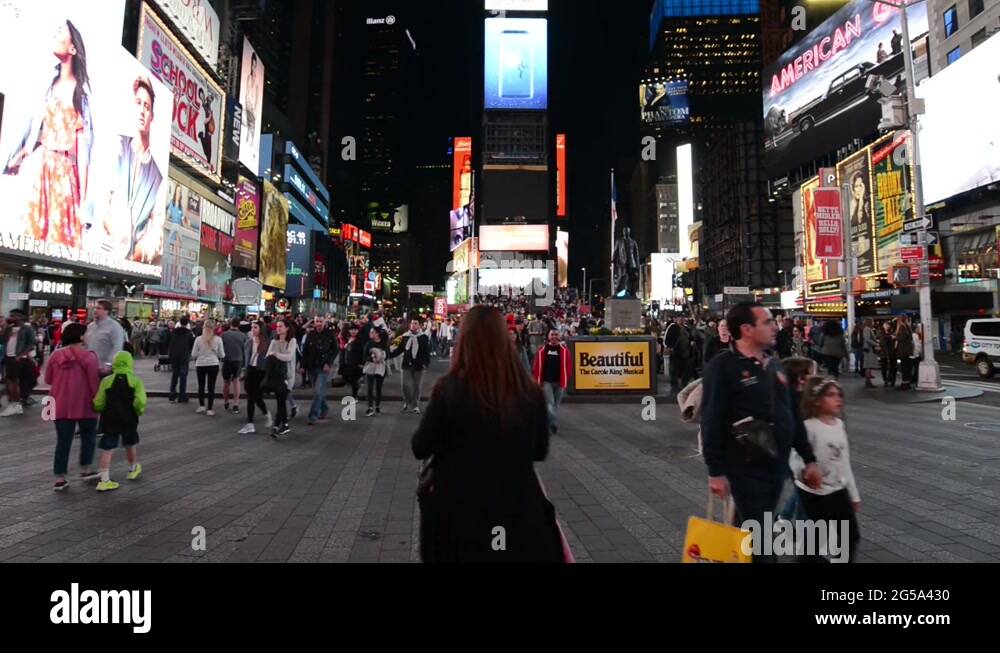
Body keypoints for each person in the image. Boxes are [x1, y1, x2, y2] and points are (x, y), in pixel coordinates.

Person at [412, 306, 566, 563]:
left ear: (465, 340)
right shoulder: (529, 393)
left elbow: (420, 446)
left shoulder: (449, 390)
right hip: (516, 506)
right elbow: (540, 451)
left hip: (458, 510)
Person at [701, 302, 823, 559]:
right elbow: (712, 419)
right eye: (767, 322)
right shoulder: (723, 367)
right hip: (744, 467)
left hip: (776, 466)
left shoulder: (775, 365)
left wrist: (809, 458)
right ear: (746, 329)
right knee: (763, 538)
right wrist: (716, 472)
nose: (774, 327)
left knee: (752, 531)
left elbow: (792, 414)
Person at [3, 20, 92, 250]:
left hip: (64, 176)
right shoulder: (48, 86)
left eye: (61, 31)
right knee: (31, 237)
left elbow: (82, 150)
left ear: (73, 48)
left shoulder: (79, 94)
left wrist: (83, 202)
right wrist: (21, 155)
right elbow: (39, 133)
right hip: (40, 170)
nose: (56, 33)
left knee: (58, 242)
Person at [792, 378, 861, 563]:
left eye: (839, 395)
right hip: (815, 493)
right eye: (831, 395)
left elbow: (844, 461)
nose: (838, 399)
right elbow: (795, 457)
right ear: (816, 400)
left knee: (850, 535)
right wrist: (804, 472)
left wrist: (854, 494)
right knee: (815, 540)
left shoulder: (839, 425)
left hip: (839, 490)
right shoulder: (808, 427)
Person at [104, 76, 163, 263]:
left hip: (131, 266)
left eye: (147, 106)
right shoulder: (116, 146)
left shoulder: (158, 178)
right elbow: (100, 202)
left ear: (152, 115)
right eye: (138, 103)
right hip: (102, 252)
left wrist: (132, 256)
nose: (142, 111)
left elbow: (157, 237)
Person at [44, 323, 101, 491]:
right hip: (84, 404)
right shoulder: (89, 357)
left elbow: (48, 379)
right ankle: (86, 469)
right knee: (88, 436)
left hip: (59, 403)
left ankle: (60, 477)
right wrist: (98, 401)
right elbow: (93, 383)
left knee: (63, 441)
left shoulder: (56, 356)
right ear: (81, 337)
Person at [92, 351, 146, 492]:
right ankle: (132, 468)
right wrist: (138, 411)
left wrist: (99, 409)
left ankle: (104, 479)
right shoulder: (135, 381)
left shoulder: (106, 381)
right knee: (130, 443)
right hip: (129, 418)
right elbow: (140, 401)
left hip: (110, 419)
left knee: (108, 448)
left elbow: (98, 402)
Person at [388, 318, 432, 414]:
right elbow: (399, 349)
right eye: (412, 323)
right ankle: (407, 402)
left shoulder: (423, 337)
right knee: (405, 385)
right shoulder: (405, 336)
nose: (413, 325)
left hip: (419, 365)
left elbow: (426, 352)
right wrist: (388, 355)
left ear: (419, 326)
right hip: (406, 364)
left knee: (417, 386)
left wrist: (426, 363)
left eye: (415, 323)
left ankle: (415, 405)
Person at [532, 329, 572, 435]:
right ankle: (553, 423)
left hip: (560, 382)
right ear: (548, 336)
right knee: (550, 403)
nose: (554, 336)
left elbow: (568, 365)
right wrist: (537, 381)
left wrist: (566, 378)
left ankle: (549, 422)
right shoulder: (542, 349)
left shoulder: (564, 350)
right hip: (547, 382)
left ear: (559, 336)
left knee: (556, 405)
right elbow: (537, 366)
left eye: (556, 334)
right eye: (552, 334)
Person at [303, 316, 338, 426]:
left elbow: (335, 350)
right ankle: (324, 408)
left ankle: (313, 415)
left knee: (318, 390)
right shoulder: (310, 335)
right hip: (311, 366)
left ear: (324, 323)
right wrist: (302, 365)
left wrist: (329, 362)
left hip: (323, 366)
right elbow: (305, 351)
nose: (318, 323)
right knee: (318, 391)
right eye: (316, 321)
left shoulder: (330, 334)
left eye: (320, 321)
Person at [265, 320, 297, 439]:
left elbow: (288, 357)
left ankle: (276, 426)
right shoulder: (274, 341)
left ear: (287, 328)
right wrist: (274, 354)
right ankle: (284, 425)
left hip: (288, 376)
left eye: (281, 326)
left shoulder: (292, 341)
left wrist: (276, 354)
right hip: (276, 376)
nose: (278, 328)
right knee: (281, 401)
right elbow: (267, 357)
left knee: (281, 400)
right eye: (277, 326)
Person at [239, 321, 272, 435]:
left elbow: (269, 361)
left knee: (255, 397)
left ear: (261, 329)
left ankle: (253, 422)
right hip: (250, 371)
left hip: (260, 372)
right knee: (252, 397)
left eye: (255, 327)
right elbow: (245, 358)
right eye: (252, 327)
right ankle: (252, 422)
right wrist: (243, 371)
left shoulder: (267, 343)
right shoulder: (248, 342)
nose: (252, 330)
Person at [1, 310, 36, 416]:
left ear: (19, 317)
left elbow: (32, 343)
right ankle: (14, 404)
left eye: (12, 316)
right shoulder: (9, 328)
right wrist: (5, 328)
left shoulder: (27, 328)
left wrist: (22, 355)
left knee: (14, 381)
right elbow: (2, 340)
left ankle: (16, 404)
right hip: (8, 357)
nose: (10, 317)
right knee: (8, 380)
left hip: (17, 358)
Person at [84, 300, 126, 378]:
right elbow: (86, 345)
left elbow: (117, 347)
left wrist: (109, 364)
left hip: (104, 369)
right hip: (89, 367)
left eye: (98, 308)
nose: (95, 310)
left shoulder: (114, 327)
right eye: (94, 308)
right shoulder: (90, 326)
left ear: (106, 311)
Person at [191, 319, 224, 416]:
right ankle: (210, 409)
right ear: (214, 328)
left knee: (201, 386)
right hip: (213, 364)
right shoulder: (218, 339)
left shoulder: (198, 339)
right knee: (211, 387)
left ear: (203, 327)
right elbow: (221, 355)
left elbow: (193, 354)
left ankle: (201, 406)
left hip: (200, 365)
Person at [221, 318, 247, 415]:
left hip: (227, 360)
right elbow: (245, 349)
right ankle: (236, 404)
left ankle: (226, 401)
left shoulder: (224, 335)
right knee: (236, 382)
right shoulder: (243, 336)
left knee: (226, 382)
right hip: (238, 360)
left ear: (230, 324)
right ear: (239, 325)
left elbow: (221, 348)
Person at [168, 316, 195, 403]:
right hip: (184, 356)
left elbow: (170, 343)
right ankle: (182, 395)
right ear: (187, 323)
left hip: (174, 355)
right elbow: (192, 344)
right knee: (183, 376)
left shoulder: (174, 332)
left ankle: (172, 394)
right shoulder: (189, 333)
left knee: (175, 374)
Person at [663, 317, 692, 393]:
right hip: (675, 352)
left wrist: (691, 343)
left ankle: (684, 383)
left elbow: (690, 338)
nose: (681, 320)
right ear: (676, 320)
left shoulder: (686, 328)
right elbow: (667, 338)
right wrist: (669, 346)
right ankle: (674, 385)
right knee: (674, 369)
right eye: (680, 319)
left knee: (685, 368)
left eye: (682, 319)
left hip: (685, 351)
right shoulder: (672, 327)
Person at [363, 328, 388, 417]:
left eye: (372, 332)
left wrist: (381, 357)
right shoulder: (369, 343)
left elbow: (387, 354)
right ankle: (370, 407)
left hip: (380, 368)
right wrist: (371, 358)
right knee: (369, 387)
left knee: (378, 387)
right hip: (370, 367)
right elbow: (364, 355)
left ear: (377, 334)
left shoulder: (384, 344)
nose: (370, 333)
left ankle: (377, 406)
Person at [340, 324, 364, 400]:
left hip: (356, 362)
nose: (353, 331)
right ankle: (355, 393)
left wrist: (361, 363)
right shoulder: (349, 338)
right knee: (352, 379)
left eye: (355, 330)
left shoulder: (360, 339)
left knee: (354, 380)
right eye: (351, 330)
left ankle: (355, 395)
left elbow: (362, 352)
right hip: (348, 362)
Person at [895, 315, 915, 391]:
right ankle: (907, 383)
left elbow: (902, 338)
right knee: (907, 367)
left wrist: (895, 337)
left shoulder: (902, 327)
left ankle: (904, 384)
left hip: (903, 350)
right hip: (908, 350)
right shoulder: (908, 327)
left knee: (904, 367)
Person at [861, 318, 880, 388]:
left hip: (868, 349)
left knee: (868, 365)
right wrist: (876, 344)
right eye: (872, 321)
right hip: (868, 349)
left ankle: (868, 381)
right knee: (868, 365)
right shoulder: (867, 329)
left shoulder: (867, 329)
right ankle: (868, 381)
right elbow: (867, 339)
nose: (873, 323)